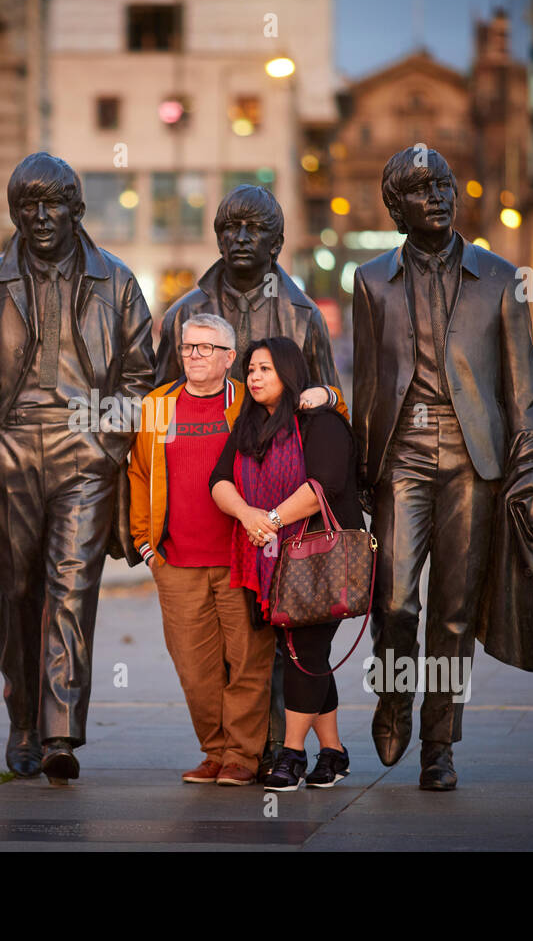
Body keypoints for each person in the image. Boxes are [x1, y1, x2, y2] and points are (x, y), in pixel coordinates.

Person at [0, 152, 155, 784]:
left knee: (71, 590)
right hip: (9, 452)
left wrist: (105, 444)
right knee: (16, 594)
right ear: (14, 211)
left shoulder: (117, 283)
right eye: (28, 205)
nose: (40, 216)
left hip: (83, 451)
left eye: (53, 203)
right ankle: (24, 722)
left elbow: (143, 378)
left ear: (76, 209)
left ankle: (60, 731)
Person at [351, 146, 533, 790]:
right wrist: (355, 474)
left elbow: (523, 391)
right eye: (418, 188)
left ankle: (440, 743)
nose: (435, 195)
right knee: (396, 601)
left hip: (474, 460)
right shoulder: (371, 280)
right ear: (396, 207)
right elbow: (368, 384)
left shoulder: (501, 277)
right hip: (400, 454)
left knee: (455, 613)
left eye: (443, 185)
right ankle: (394, 696)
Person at [156, 184, 349, 774]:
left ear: (278, 241)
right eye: (230, 228)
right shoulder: (180, 315)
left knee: (287, 632)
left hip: (285, 504)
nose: (240, 239)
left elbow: (329, 402)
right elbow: (155, 413)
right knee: (222, 644)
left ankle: (279, 749)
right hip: (212, 503)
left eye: (254, 229)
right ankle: (242, 749)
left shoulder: (303, 315)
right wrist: (146, 524)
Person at [209, 337, 363, 792]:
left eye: (266, 370)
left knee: (304, 652)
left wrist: (271, 520)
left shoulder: (320, 422)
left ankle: (292, 754)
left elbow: (325, 485)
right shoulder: (249, 425)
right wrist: (247, 514)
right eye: (251, 370)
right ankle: (333, 754)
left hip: (319, 561)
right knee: (303, 654)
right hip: (267, 560)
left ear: (289, 374)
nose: (254, 378)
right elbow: (219, 479)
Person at [128, 314, 273, 786]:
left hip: (239, 558)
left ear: (230, 358)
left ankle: (242, 757)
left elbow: (316, 422)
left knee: (249, 663)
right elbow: (138, 475)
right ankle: (214, 751)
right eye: (188, 347)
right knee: (195, 668)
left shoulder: (247, 405)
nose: (194, 355)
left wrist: (329, 396)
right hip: (177, 561)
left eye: (206, 348)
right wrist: (146, 545)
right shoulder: (157, 405)